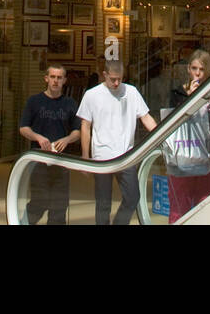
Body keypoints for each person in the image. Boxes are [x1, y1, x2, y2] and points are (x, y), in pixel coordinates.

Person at [77, 59, 157, 225]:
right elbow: (85, 127)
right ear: (104, 75)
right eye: (112, 79)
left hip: (125, 154)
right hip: (102, 155)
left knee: (133, 197)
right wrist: (85, 156)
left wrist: (160, 135)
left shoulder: (132, 92)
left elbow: (146, 117)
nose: (116, 83)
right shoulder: (92, 95)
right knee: (103, 203)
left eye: (120, 79)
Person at [18, 65, 81, 224]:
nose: (55, 81)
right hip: (38, 161)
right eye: (53, 77)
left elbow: (78, 131)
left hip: (61, 162)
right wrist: (37, 137)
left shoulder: (70, 103)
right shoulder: (34, 101)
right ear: (46, 78)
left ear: (64, 81)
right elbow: (23, 128)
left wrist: (67, 139)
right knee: (39, 203)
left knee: (59, 207)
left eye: (59, 78)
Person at [165, 49, 210, 224]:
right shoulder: (177, 93)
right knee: (180, 202)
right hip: (183, 153)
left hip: (207, 154)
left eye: (202, 69)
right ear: (188, 69)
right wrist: (189, 98)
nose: (197, 73)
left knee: (205, 201)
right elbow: (171, 121)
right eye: (194, 68)